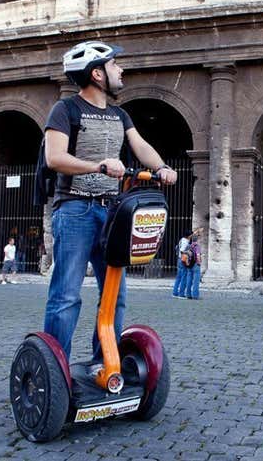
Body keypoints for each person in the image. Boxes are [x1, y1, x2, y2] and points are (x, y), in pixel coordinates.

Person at [43, 40, 177, 362]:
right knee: (66, 296)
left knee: (115, 296)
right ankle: (55, 368)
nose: (121, 70)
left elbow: (140, 145)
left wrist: (160, 167)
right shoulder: (65, 109)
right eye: (115, 64)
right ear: (98, 74)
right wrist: (99, 165)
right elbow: (55, 157)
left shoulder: (120, 114)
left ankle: (104, 364)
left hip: (111, 213)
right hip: (74, 210)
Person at [173, 230, 196, 298]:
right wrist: (189, 253)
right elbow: (182, 250)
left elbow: (177, 248)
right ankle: (181, 293)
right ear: (189, 236)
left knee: (179, 277)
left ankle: (175, 292)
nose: (192, 236)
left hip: (179, 259)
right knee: (184, 277)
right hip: (183, 260)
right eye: (191, 235)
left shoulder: (182, 240)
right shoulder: (185, 242)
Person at [181, 228, 203, 300]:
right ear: (197, 240)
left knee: (189, 280)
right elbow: (198, 255)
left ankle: (188, 294)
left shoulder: (189, 246)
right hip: (196, 264)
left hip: (189, 264)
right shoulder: (197, 246)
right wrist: (199, 263)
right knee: (196, 281)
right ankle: (195, 295)